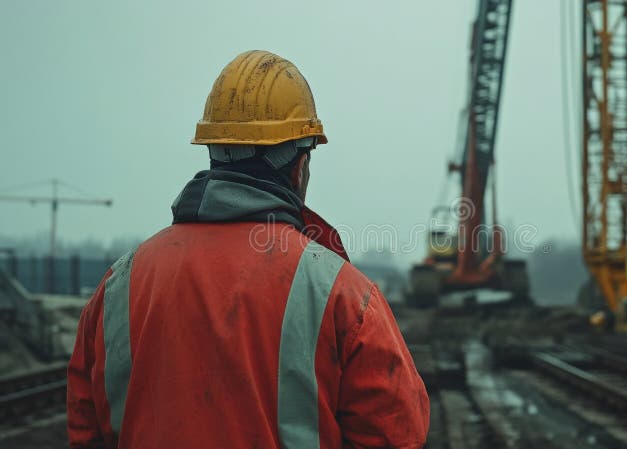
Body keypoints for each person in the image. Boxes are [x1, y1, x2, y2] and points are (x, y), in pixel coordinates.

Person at [67, 50, 429, 449]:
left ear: (214, 151)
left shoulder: (119, 285)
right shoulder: (342, 294)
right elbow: (396, 434)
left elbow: (87, 430)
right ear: (299, 165)